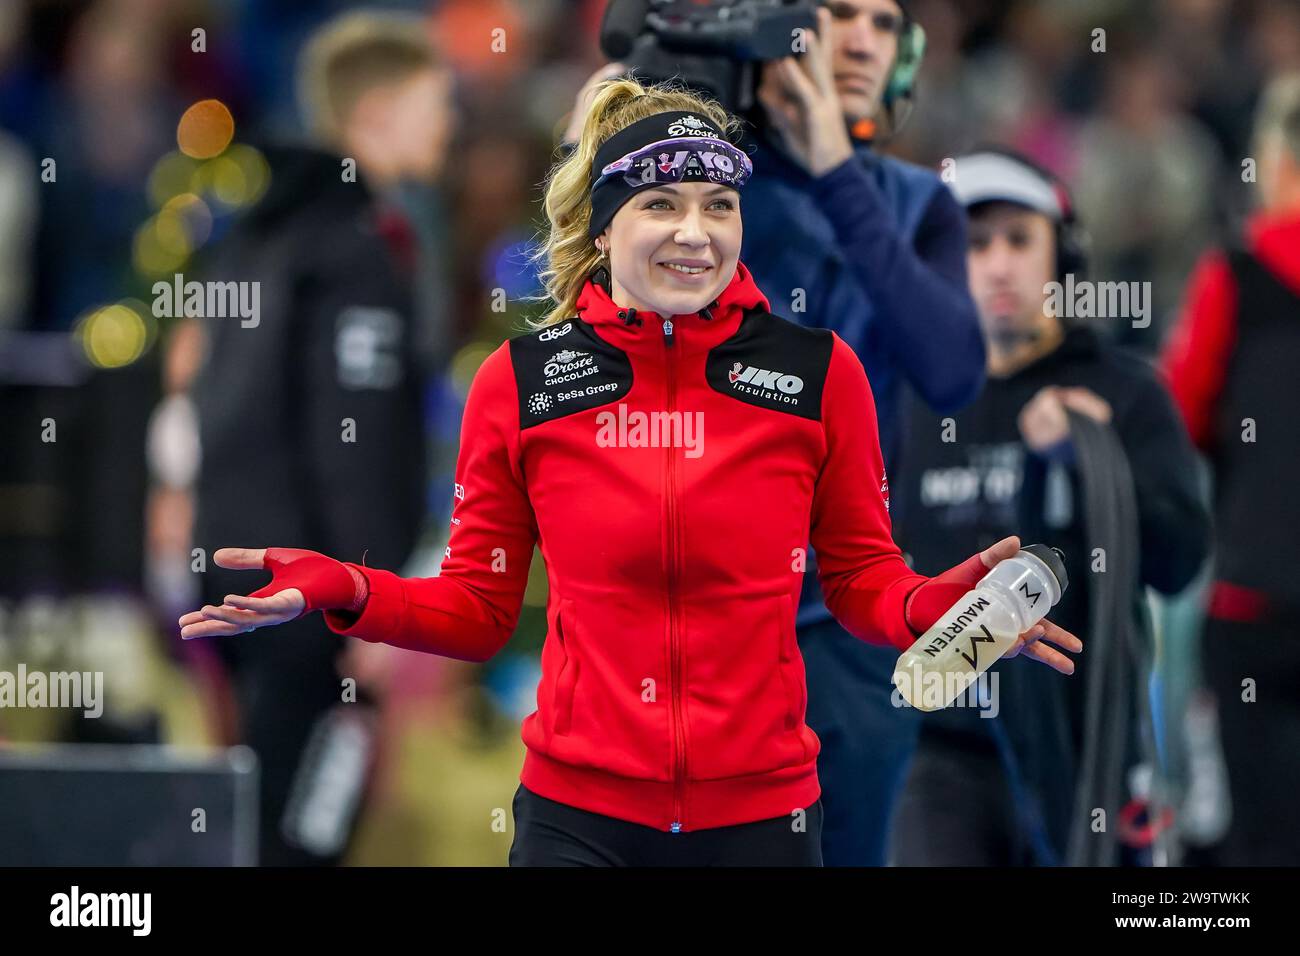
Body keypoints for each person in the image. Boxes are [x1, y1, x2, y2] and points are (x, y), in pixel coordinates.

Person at [179, 78, 1080, 868]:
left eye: (719, 204)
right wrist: (344, 587)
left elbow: (857, 581)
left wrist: (934, 605)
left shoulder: (818, 371)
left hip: (763, 816)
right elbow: (478, 608)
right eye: (661, 204)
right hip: (581, 821)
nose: (696, 231)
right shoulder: (522, 382)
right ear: (605, 230)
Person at [889, 149, 1209, 865]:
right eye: (975, 244)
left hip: (1089, 743)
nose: (998, 264)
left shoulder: (1122, 392)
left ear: (1059, 255)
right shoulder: (906, 398)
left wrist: (1096, 457)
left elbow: (1179, 562)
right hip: (947, 751)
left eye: (1017, 239)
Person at [185, 12, 445, 866]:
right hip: (311, 598)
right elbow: (353, 444)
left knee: (266, 820)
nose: (447, 122)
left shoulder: (256, 235)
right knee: (302, 838)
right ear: (377, 111)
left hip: (244, 575)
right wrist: (369, 602)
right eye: (431, 101)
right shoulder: (355, 251)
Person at [745, 0, 986, 867]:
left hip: (850, 631)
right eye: (834, 14)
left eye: (883, 24)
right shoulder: (701, 187)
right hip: (705, 614)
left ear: (906, 56)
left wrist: (838, 172)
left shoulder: (915, 203)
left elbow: (952, 368)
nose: (858, 40)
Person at [1160, 73, 1300, 866]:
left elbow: (1181, 418)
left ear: (1277, 162)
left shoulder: (1237, 274)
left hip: (1255, 603)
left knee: (1258, 841)